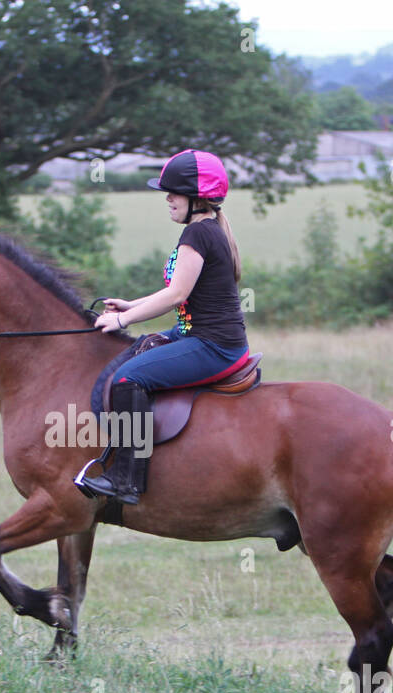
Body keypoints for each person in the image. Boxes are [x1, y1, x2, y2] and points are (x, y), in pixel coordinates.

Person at [75, 148, 250, 505]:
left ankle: (126, 480)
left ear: (197, 199)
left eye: (174, 192)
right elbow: (178, 293)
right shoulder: (205, 228)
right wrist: (131, 304)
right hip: (195, 334)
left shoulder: (198, 235)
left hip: (213, 346)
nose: (167, 198)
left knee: (128, 379)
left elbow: (176, 294)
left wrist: (122, 320)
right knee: (139, 351)